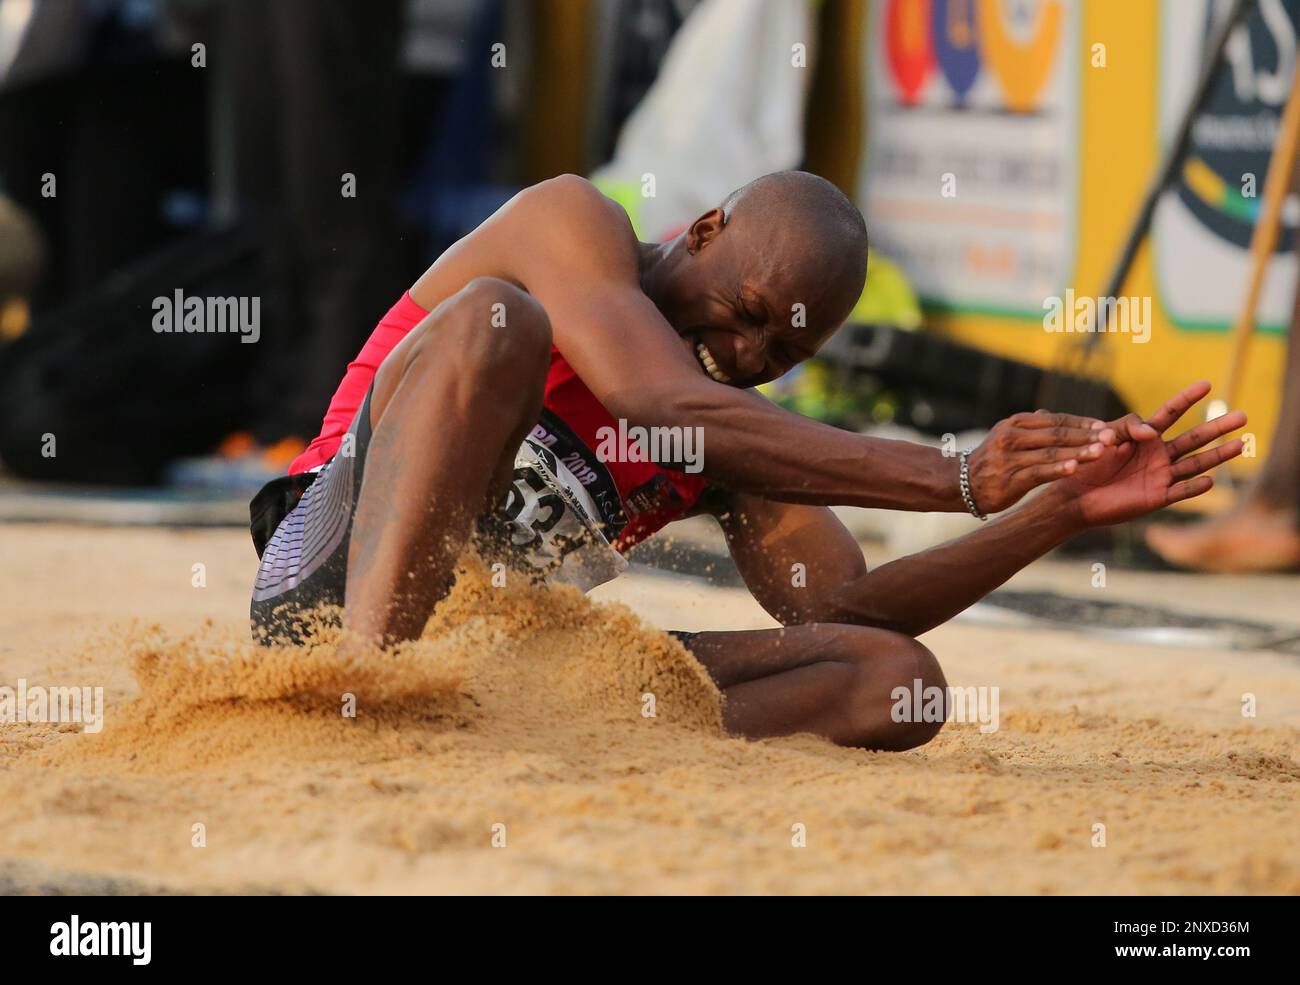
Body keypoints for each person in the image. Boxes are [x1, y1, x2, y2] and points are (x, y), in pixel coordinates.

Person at [248, 171, 1247, 750]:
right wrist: (948, 476)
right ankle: (369, 691)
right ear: (704, 231)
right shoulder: (571, 225)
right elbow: (647, 395)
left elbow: (846, 609)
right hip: (331, 582)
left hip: (500, 653)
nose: (747, 356)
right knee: (498, 323)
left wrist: (1050, 512)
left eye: (784, 354)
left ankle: (512, 723)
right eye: (747, 313)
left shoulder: (724, 425)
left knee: (892, 681)